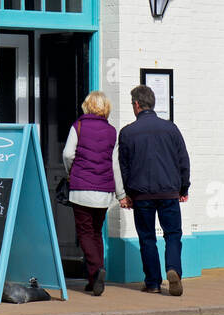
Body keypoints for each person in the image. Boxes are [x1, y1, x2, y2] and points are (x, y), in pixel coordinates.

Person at [117, 84, 190, 296]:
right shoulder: (171, 128)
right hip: (169, 192)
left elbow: (124, 167)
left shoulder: (128, 132)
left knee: (147, 237)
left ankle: (153, 282)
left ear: (137, 105)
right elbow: (183, 161)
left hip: (141, 195)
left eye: (132, 104)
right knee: (173, 234)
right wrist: (183, 187)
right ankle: (173, 268)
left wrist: (128, 194)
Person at [61, 90, 125, 297]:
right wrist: (121, 193)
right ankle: (93, 278)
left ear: (87, 106)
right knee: (96, 232)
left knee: (85, 233)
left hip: (80, 190)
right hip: (104, 191)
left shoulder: (78, 126)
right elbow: (115, 165)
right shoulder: (112, 131)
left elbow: (68, 154)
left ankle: (97, 269)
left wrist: (71, 172)